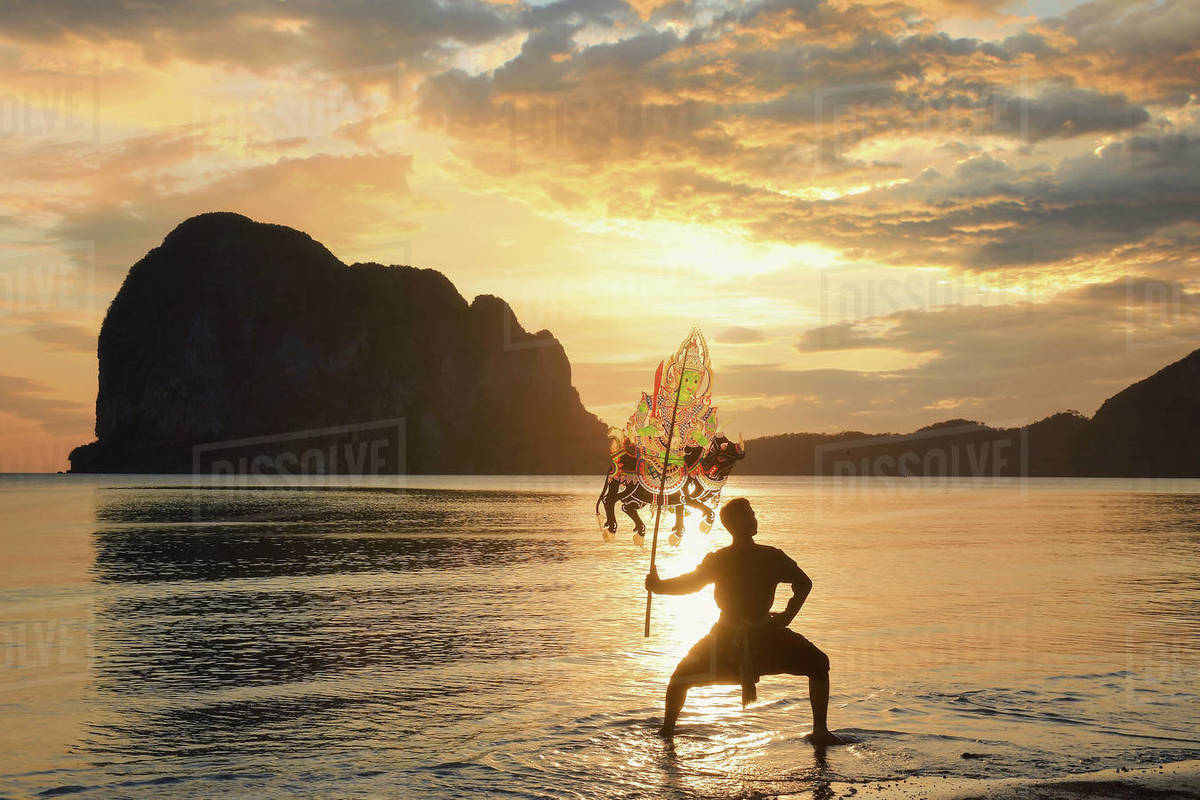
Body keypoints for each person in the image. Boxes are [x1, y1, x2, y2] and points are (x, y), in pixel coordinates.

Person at [645, 497, 845, 744]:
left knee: (819, 663)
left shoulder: (770, 556)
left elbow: (804, 583)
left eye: (753, 513)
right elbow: (692, 583)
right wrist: (659, 586)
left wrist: (786, 617)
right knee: (679, 678)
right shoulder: (723, 558)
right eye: (747, 514)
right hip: (727, 637)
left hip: (765, 635)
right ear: (732, 524)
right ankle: (666, 732)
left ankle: (820, 731)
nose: (753, 518)